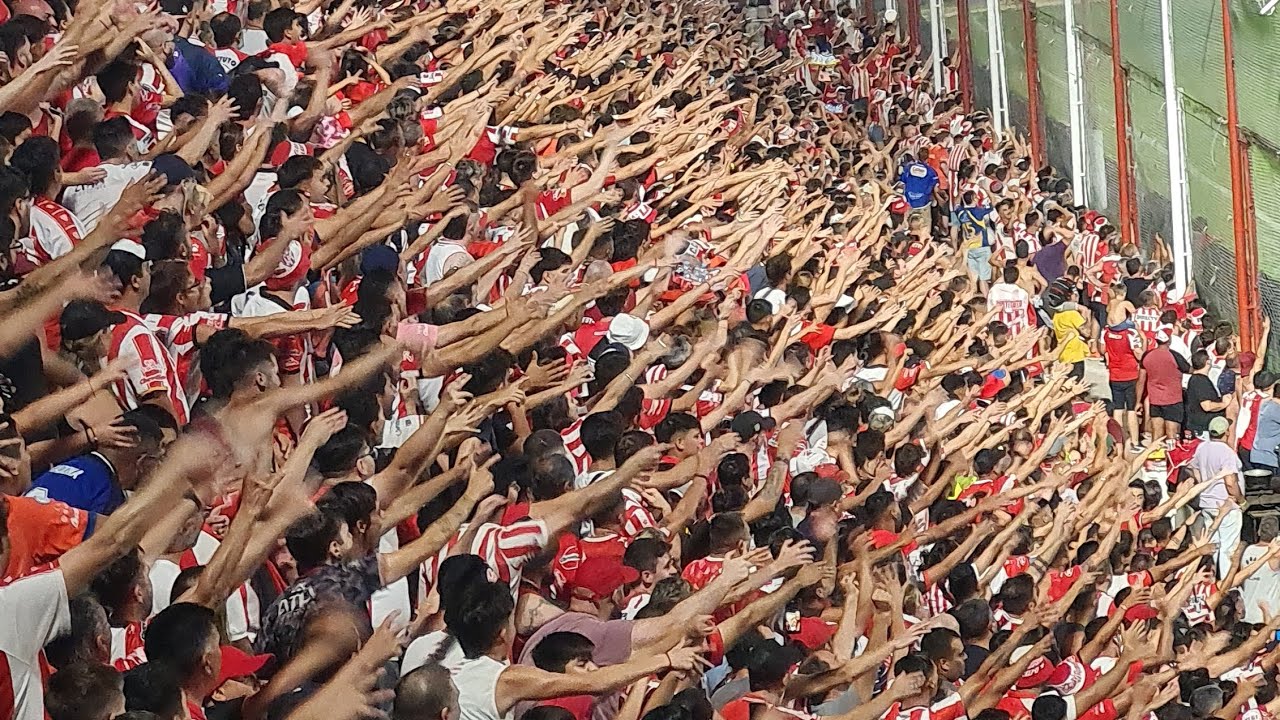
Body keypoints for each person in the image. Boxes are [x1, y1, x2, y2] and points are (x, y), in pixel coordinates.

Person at [1191, 417, 1245, 576]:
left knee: (1213, 545)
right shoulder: (1227, 452)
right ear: (1226, 432)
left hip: (1207, 503)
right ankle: (1226, 588)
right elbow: (1230, 482)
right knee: (1228, 547)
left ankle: (1211, 580)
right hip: (1226, 504)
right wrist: (1241, 500)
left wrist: (1204, 487)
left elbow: (1194, 470)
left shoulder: (1202, 447)